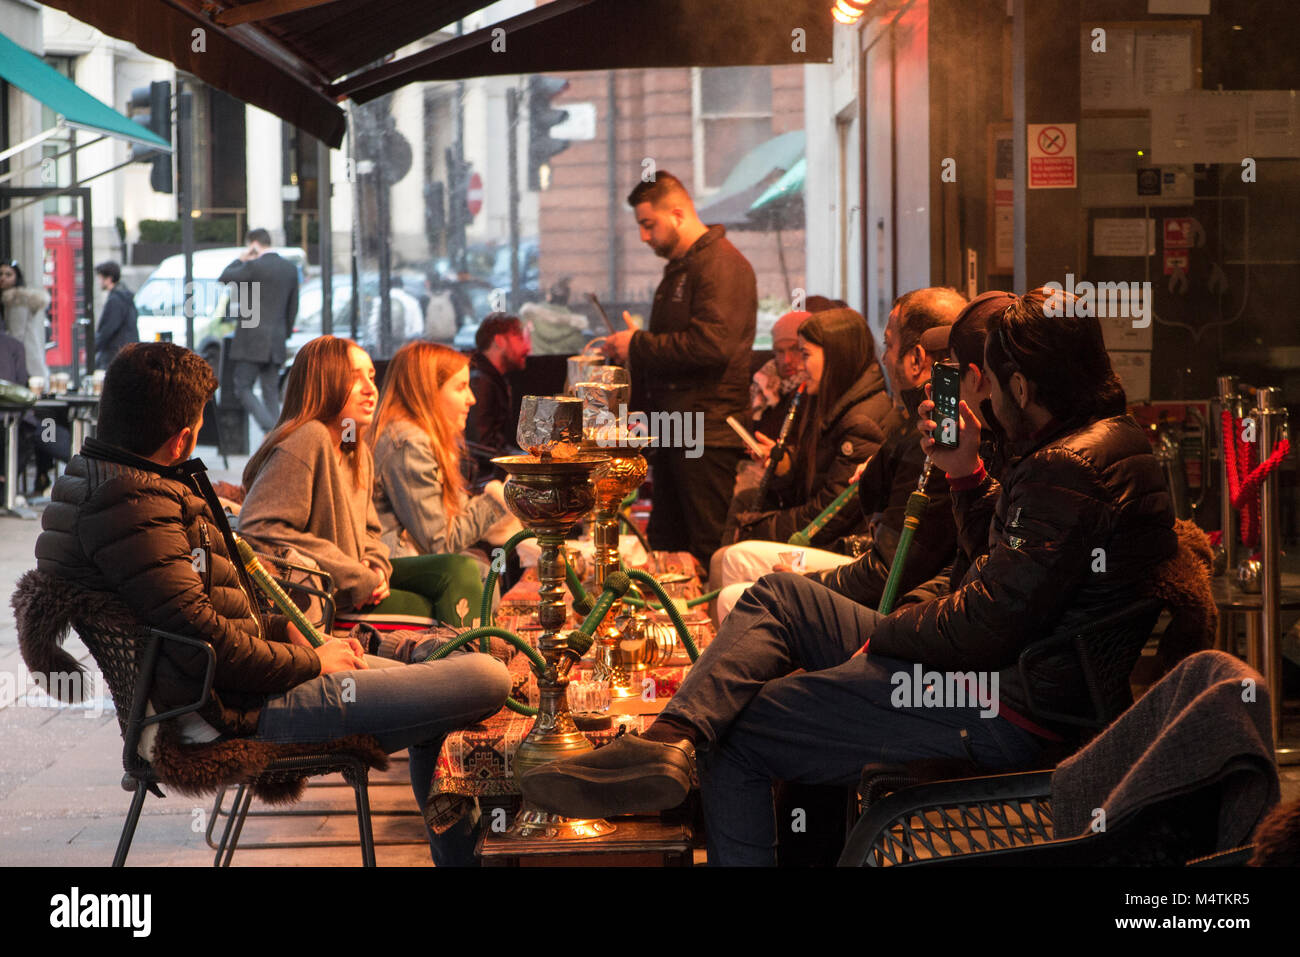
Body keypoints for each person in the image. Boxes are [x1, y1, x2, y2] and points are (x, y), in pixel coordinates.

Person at [521, 287, 1178, 865]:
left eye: (987, 379)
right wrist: (967, 471)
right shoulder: (1095, 443)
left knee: (742, 731)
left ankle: (685, 743)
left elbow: (987, 620)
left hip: (1001, 706)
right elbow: (997, 575)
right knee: (776, 594)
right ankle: (668, 739)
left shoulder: (1068, 467)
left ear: (1023, 388)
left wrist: (883, 637)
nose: (978, 391)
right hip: (1003, 674)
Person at [34, 342, 510, 865]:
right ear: (181, 439)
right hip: (236, 711)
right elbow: (206, 641)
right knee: (485, 678)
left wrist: (290, 632)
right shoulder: (131, 506)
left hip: (250, 683)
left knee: (448, 680)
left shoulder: (111, 484)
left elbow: (209, 613)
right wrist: (311, 659)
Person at [713, 288, 968, 620]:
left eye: (888, 346)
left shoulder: (938, 433)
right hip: (882, 570)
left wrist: (807, 582)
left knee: (738, 590)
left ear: (917, 359)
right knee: (737, 558)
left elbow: (889, 568)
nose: (884, 358)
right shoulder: (912, 420)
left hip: (899, 604)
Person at [237, 336, 488, 633]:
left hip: (358, 584)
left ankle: (474, 662)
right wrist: (357, 576)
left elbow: (371, 531)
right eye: (354, 379)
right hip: (328, 600)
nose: (370, 389)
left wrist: (377, 564)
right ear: (324, 382)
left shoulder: (356, 448)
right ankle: (473, 667)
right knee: (445, 590)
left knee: (463, 568)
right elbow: (259, 529)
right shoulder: (309, 437)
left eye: (371, 377)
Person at [600, 172, 757, 566]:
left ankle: (718, 628)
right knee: (665, 548)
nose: (643, 236)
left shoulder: (723, 265)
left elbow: (713, 345)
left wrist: (637, 343)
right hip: (676, 429)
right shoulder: (684, 268)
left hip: (706, 432)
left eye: (648, 224)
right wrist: (636, 348)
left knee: (707, 551)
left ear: (678, 212)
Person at [725, 307, 896, 547]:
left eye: (804, 354)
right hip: (825, 535)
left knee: (733, 554)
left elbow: (829, 517)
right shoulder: (829, 404)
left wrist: (756, 528)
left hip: (840, 546)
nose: (800, 366)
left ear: (836, 356)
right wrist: (786, 466)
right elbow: (814, 486)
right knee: (746, 502)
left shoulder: (860, 421)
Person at [370, 340, 518, 562]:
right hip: (398, 569)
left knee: (481, 565)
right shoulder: (410, 445)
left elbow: (457, 512)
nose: (471, 399)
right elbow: (440, 542)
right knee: (478, 571)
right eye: (460, 387)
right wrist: (501, 499)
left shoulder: (427, 440)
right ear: (428, 392)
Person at [218, 228, 299, 433]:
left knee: (242, 386)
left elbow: (225, 277)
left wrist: (241, 258)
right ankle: (278, 436)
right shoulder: (289, 268)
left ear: (254, 244)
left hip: (251, 340)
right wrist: (284, 333)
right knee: (270, 392)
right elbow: (293, 307)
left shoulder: (253, 266)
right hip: (276, 339)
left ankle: (272, 430)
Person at [465, 312, 530, 486]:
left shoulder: (492, 379)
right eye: (519, 338)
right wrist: (526, 462)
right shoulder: (481, 382)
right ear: (499, 340)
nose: (527, 347)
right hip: (486, 484)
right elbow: (479, 446)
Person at [0, 260, 48, 382]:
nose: (3, 278)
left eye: (8, 274)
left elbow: (17, 334)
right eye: (1, 274)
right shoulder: (6, 299)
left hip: (24, 357)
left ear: (17, 277)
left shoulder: (17, 300)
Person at [93, 261, 138, 369]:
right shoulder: (126, 296)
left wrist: (94, 347)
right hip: (127, 351)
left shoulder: (115, 300)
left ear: (108, 279)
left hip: (116, 352)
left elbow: (108, 328)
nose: (99, 282)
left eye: (100, 278)